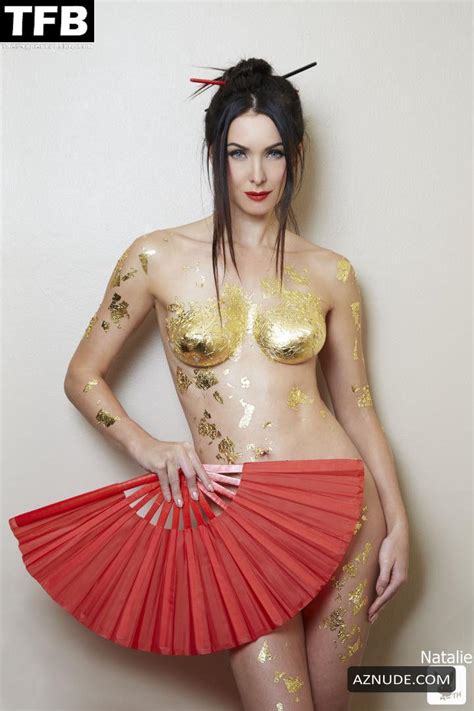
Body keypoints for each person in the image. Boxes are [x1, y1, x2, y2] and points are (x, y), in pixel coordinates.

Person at [64, 57, 409, 711]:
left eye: (274, 153)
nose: (257, 174)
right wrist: (149, 448)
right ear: (215, 155)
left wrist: (399, 524)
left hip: (347, 510)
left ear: (295, 155)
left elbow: (359, 408)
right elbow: (82, 375)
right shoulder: (156, 257)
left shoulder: (331, 272)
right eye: (239, 153)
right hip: (240, 518)